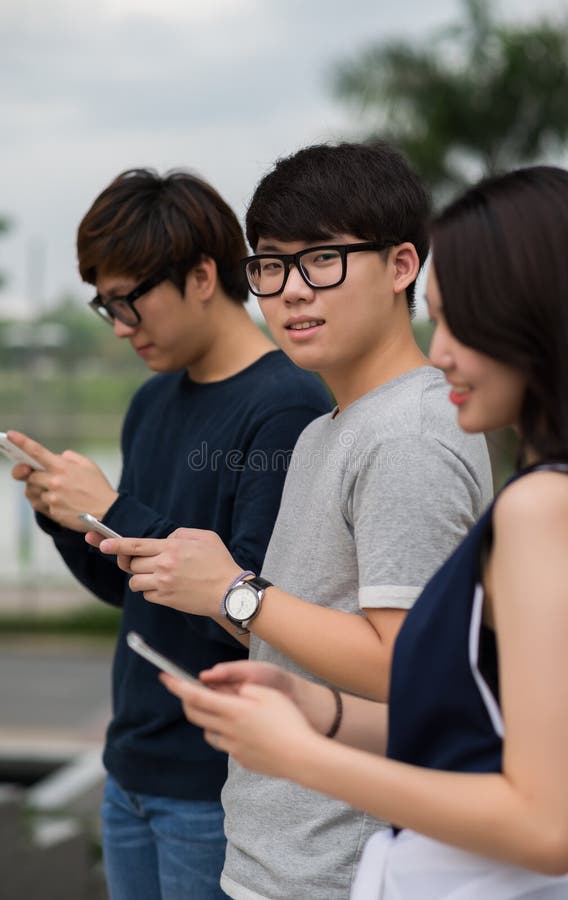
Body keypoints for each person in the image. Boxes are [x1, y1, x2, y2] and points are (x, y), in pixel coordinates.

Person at [158, 165, 568, 899]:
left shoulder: (533, 502)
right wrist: (314, 708)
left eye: (466, 319)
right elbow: (473, 726)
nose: (442, 352)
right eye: (269, 265)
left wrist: (300, 752)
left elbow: (546, 828)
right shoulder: (550, 490)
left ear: (544, 315)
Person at [93, 143, 493, 900]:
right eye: (272, 266)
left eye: (323, 261)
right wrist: (203, 582)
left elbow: (407, 666)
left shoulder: (406, 435)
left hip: (341, 870)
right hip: (272, 857)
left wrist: (233, 592)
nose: (292, 292)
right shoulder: (328, 429)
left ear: (402, 265)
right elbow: (310, 628)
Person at [8, 168, 331, 900]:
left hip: (216, 784)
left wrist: (115, 508)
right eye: (105, 305)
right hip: (129, 769)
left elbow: (258, 612)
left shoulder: (285, 406)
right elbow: (133, 591)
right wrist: (65, 517)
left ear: (201, 275)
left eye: (130, 301)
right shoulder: (152, 402)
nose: (121, 326)